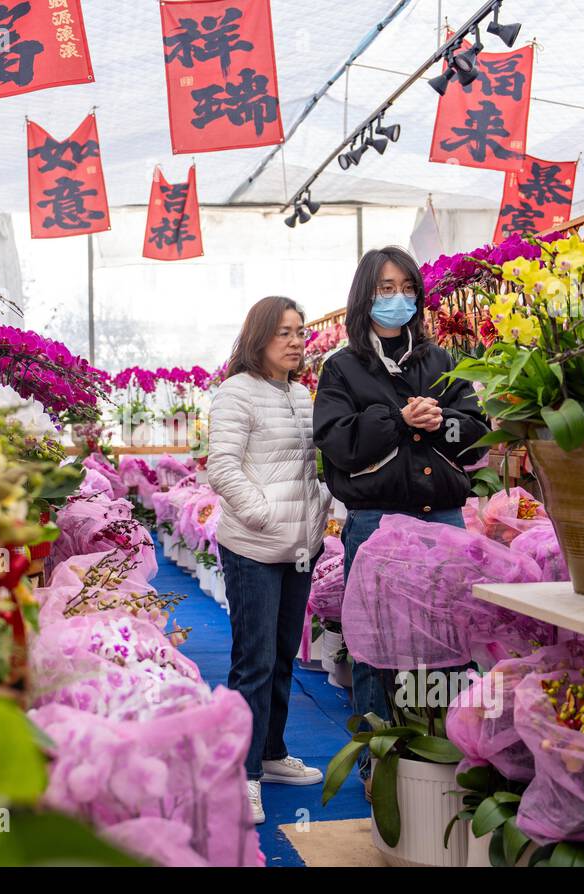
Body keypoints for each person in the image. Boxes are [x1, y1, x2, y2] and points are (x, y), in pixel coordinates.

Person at [313, 247, 488, 740]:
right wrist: (397, 421)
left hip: (442, 519)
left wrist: (442, 422)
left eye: (407, 288)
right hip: (377, 523)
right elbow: (338, 444)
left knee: (450, 633)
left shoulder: (439, 359)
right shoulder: (342, 368)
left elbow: (476, 430)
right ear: (365, 296)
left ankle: (448, 746)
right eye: (386, 289)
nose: (398, 298)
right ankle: (380, 758)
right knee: (376, 643)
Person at [207, 295, 332, 825]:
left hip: (300, 549)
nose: (297, 340)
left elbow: (315, 467)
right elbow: (222, 467)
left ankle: (272, 753)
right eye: (284, 331)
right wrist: (262, 515)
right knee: (253, 662)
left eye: (300, 331)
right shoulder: (236, 393)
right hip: (254, 548)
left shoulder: (304, 396)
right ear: (258, 336)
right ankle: (243, 774)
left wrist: (324, 507)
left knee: (283, 656)